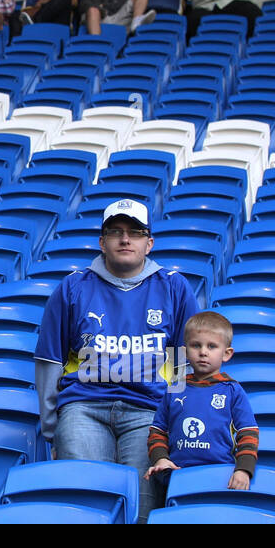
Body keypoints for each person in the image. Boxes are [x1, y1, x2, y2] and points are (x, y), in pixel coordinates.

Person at [34, 199, 200, 522]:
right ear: (102, 241)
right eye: (116, 232)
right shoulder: (72, 288)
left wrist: (175, 428)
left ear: (148, 242)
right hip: (84, 407)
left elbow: (185, 366)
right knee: (86, 508)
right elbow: (48, 361)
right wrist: (53, 431)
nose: (125, 239)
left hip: (149, 412)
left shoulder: (175, 288)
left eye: (135, 232)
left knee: (141, 510)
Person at [145, 311, 259, 493]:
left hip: (221, 477)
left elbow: (248, 433)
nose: (203, 352)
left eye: (212, 346)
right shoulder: (175, 388)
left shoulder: (233, 390)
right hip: (177, 478)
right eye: (196, 345)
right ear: (185, 351)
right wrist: (160, 459)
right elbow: (157, 431)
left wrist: (244, 469)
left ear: (227, 353)